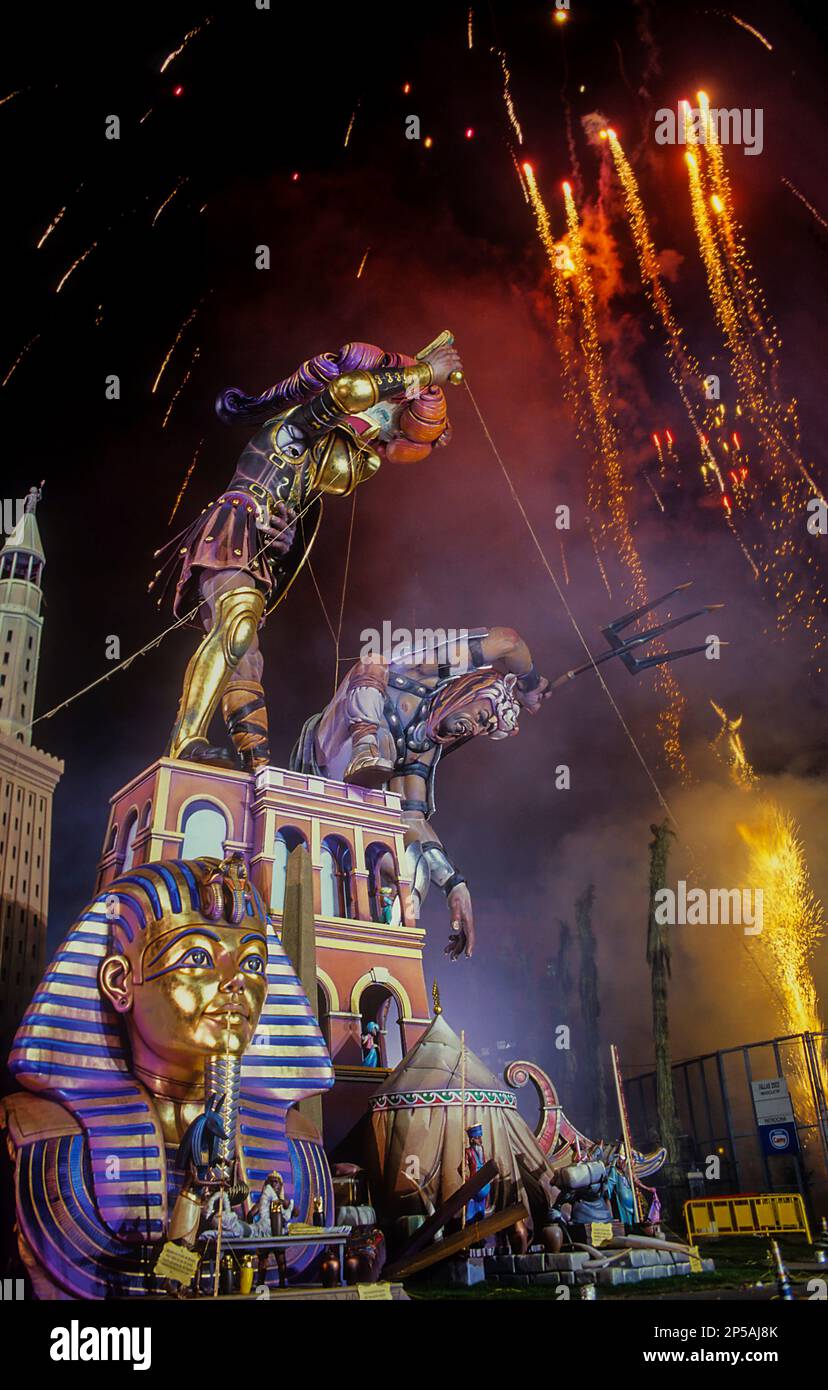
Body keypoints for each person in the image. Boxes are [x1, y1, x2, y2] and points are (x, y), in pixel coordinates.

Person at [151, 336, 461, 771]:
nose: (382, 441)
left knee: (246, 654)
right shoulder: (298, 423)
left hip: (252, 542)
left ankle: (255, 765)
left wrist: (284, 538)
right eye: (389, 423)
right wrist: (425, 373)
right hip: (233, 521)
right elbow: (347, 392)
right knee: (237, 624)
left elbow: (289, 516)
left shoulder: (311, 461)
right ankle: (185, 741)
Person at [292, 626, 550, 959]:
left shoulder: (422, 750)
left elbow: (412, 819)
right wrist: (528, 684)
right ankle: (365, 749)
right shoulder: (424, 671)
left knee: (411, 863)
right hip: (329, 745)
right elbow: (509, 641)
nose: (475, 727)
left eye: (485, 728)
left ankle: (388, 943)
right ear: (469, 691)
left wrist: (455, 885)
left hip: (344, 801)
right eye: (481, 715)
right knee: (375, 663)